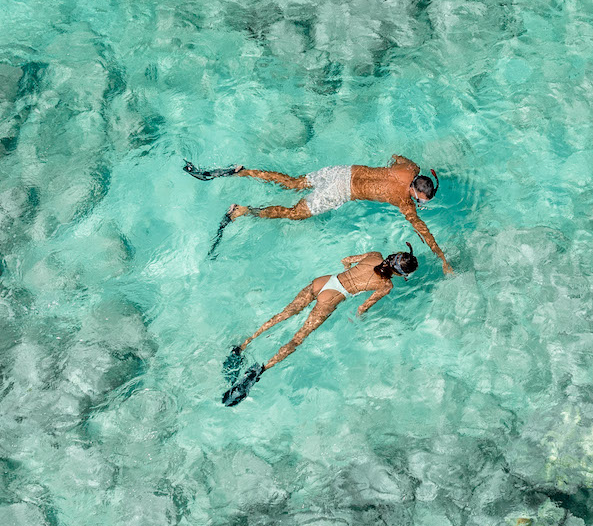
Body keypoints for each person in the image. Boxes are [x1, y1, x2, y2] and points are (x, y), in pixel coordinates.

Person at [220, 246, 418, 406]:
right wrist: (359, 319)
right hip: (333, 298)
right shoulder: (386, 285)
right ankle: (260, 370)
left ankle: (243, 346)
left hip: (324, 281)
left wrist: (350, 272)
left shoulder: (375, 255)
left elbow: (346, 260)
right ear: (400, 274)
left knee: (283, 315)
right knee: (298, 337)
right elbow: (362, 307)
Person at [186, 154, 454, 272]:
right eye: (418, 199)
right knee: (295, 213)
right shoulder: (404, 201)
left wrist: (384, 174)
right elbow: (422, 230)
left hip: (342, 171)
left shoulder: (410, 168)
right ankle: (243, 211)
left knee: (294, 183)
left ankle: (242, 171)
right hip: (340, 191)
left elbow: (395, 157)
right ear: (415, 192)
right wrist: (441, 258)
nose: (416, 203)